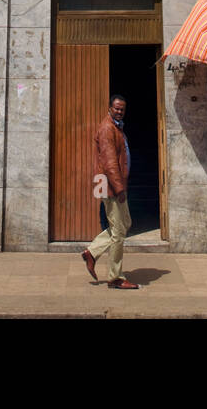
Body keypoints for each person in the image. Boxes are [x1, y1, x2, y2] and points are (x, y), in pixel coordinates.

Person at [81, 94, 139, 290]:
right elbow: (110, 163)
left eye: (122, 109)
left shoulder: (116, 127)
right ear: (109, 108)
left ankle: (91, 252)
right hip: (111, 185)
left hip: (113, 184)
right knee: (118, 231)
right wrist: (119, 188)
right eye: (116, 108)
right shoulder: (108, 128)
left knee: (125, 223)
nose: (119, 111)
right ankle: (115, 278)